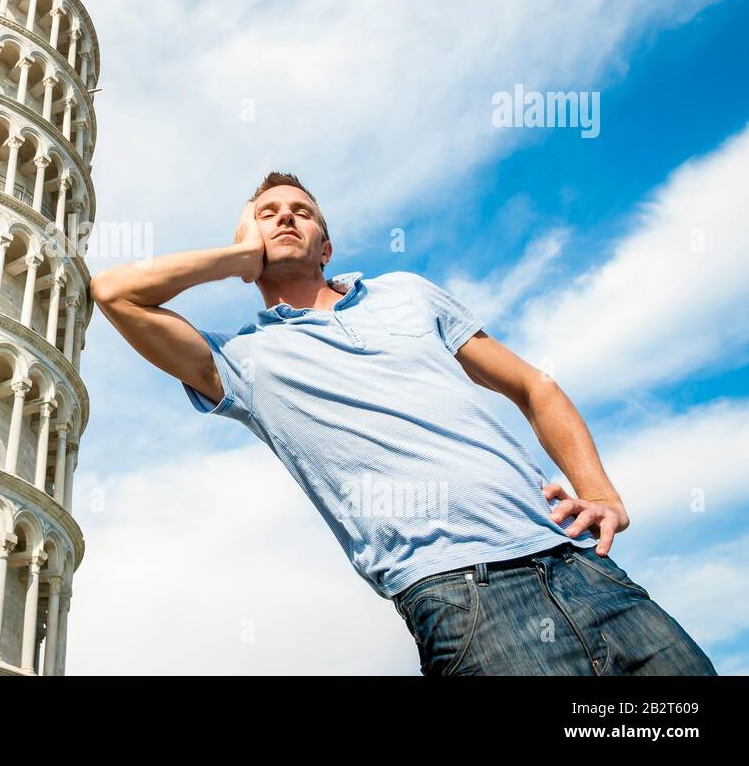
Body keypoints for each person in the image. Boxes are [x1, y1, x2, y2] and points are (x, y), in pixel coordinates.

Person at [89, 171, 717, 675]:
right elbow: (116, 292)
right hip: (464, 601)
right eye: (268, 212)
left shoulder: (407, 293)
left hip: (585, 569)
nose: (285, 217)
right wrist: (236, 256)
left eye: (302, 212)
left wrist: (600, 491)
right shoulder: (242, 360)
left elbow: (534, 384)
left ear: (326, 247)